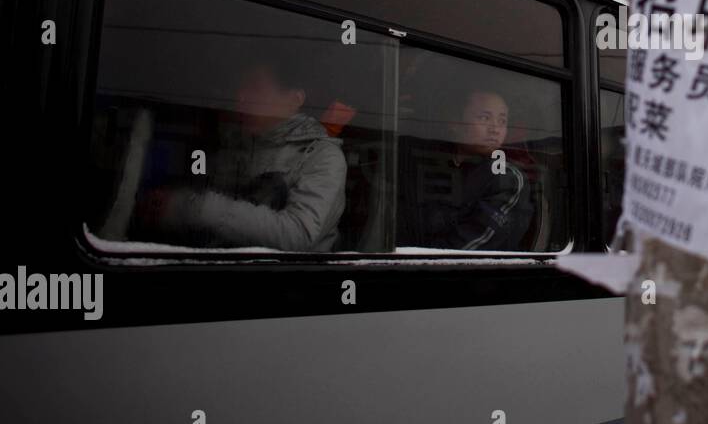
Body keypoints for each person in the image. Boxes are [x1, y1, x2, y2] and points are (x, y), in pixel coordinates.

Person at [141, 55, 348, 251]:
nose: (241, 96)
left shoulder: (322, 156)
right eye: (241, 88)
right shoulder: (236, 146)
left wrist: (194, 208)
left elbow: (298, 235)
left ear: (294, 99)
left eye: (255, 88)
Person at [399, 89, 534, 251]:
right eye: (485, 118)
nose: (495, 129)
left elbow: (466, 249)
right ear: (454, 122)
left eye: (502, 121)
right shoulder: (425, 162)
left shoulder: (507, 178)